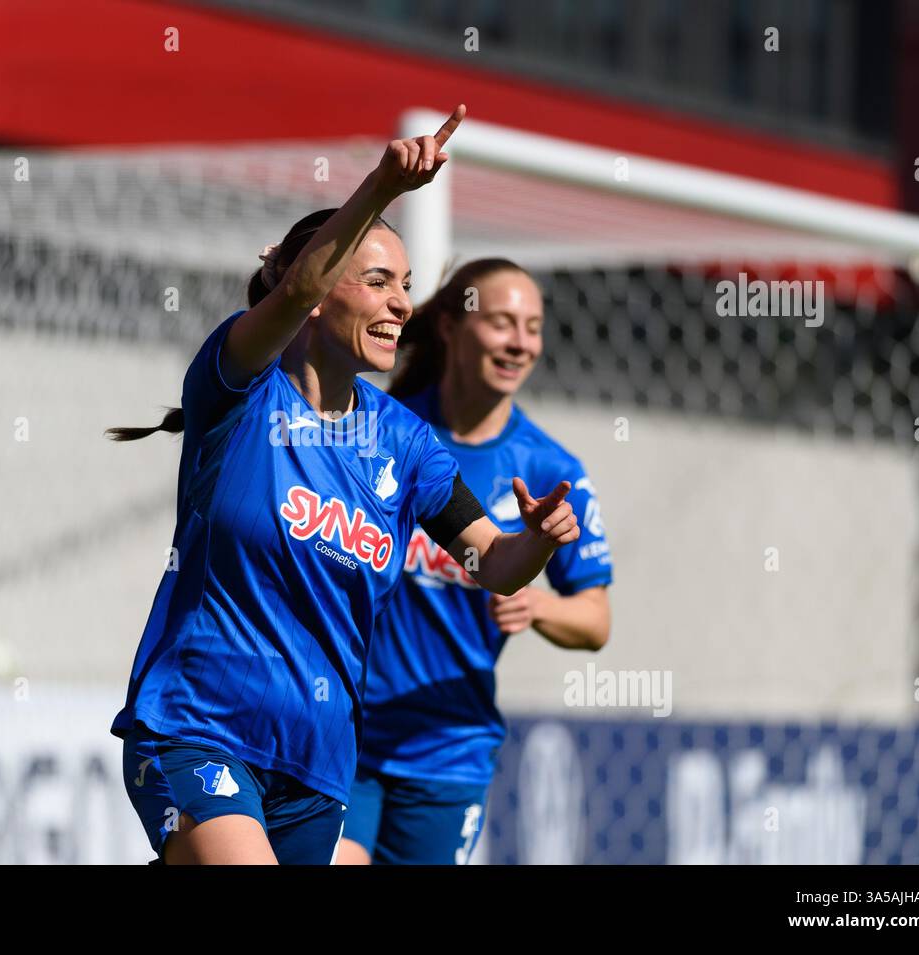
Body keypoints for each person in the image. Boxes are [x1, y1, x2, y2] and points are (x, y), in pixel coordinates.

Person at [106, 105, 581, 865]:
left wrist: (538, 540)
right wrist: (383, 188)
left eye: (408, 285)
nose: (402, 303)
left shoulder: (406, 443)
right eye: (380, 281)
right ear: (325, 293)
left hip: (317, 764)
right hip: (197, 729)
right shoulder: (240, 391)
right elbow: (290, 293)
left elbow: (491, 562)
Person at [337, 258, 614, 866]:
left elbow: (596, 622)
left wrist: (539, 603)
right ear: (451, 328)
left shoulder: (551, 470)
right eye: (503, 323)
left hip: (447, 750)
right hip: (341, 735)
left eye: (534, 327)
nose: (521, 342)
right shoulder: (380, 430)